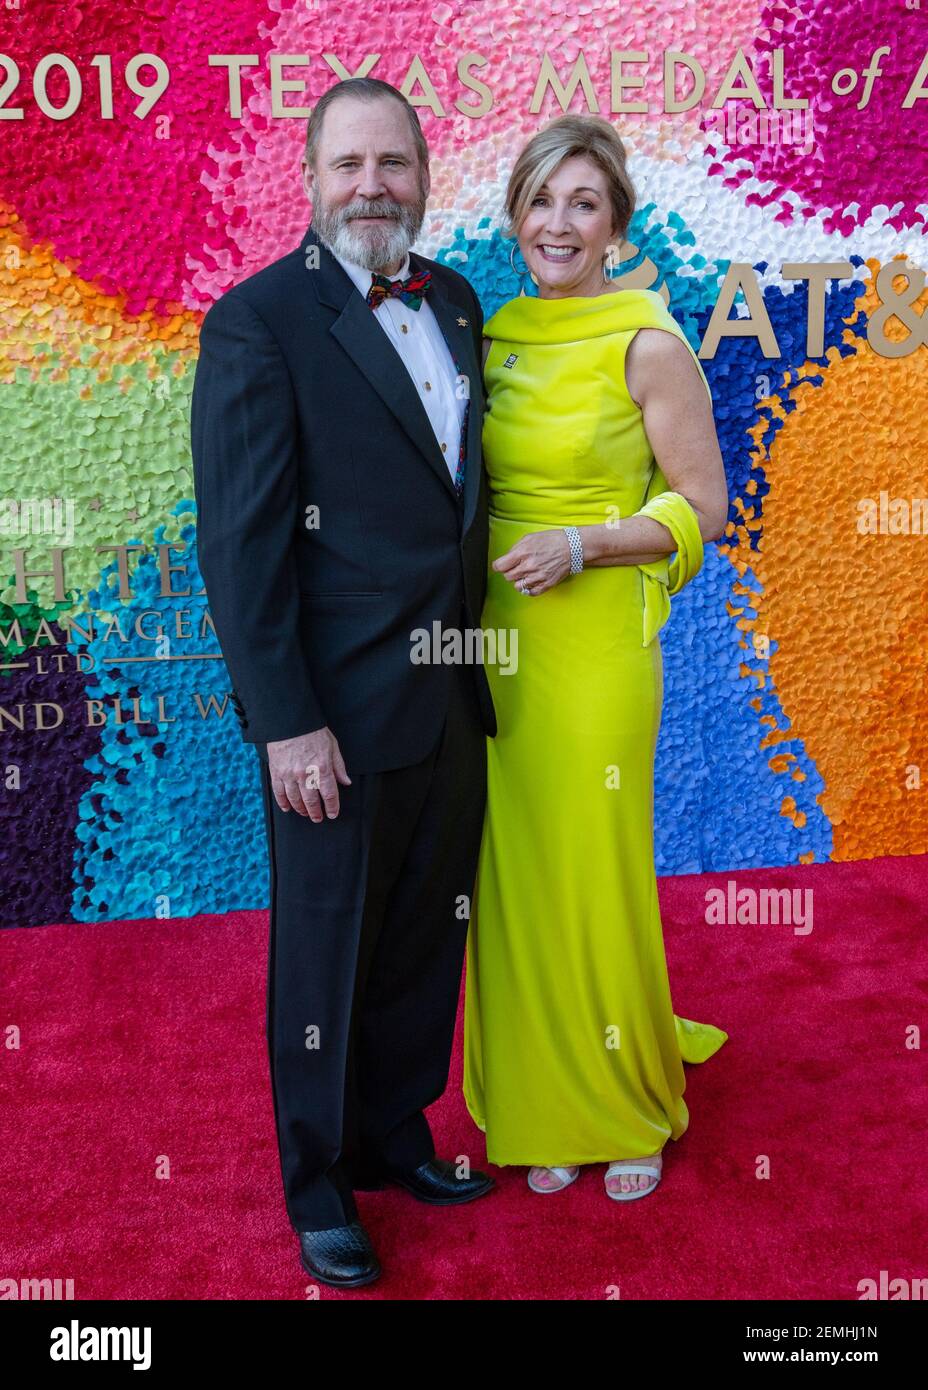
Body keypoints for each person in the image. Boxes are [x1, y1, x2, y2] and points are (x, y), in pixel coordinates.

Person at [190, 77, 497, 1289]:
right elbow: (242, 543)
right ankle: (319, 1188)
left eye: (394, 164)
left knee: (427, 935)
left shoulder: (461, 302)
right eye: (349, 165)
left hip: (451, 691)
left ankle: (395, 1136)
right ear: (309, 179)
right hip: (331, 715)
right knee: (325, 951)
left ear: (425, 174)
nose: (372, 186)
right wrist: (287, 724)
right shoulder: (258, 322)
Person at [463, 114, 730, 1202]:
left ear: (616, 224)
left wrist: (586, 542)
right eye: (541, 200)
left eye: (582, 202)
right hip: (490, 637)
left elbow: (702, 505)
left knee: (592, 863)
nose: (557, 222)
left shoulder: (648, 341)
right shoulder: (490, 332)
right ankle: (539, 1103)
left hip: (595, 637)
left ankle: (623, 1097)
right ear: (516, 217)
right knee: (511, 877)